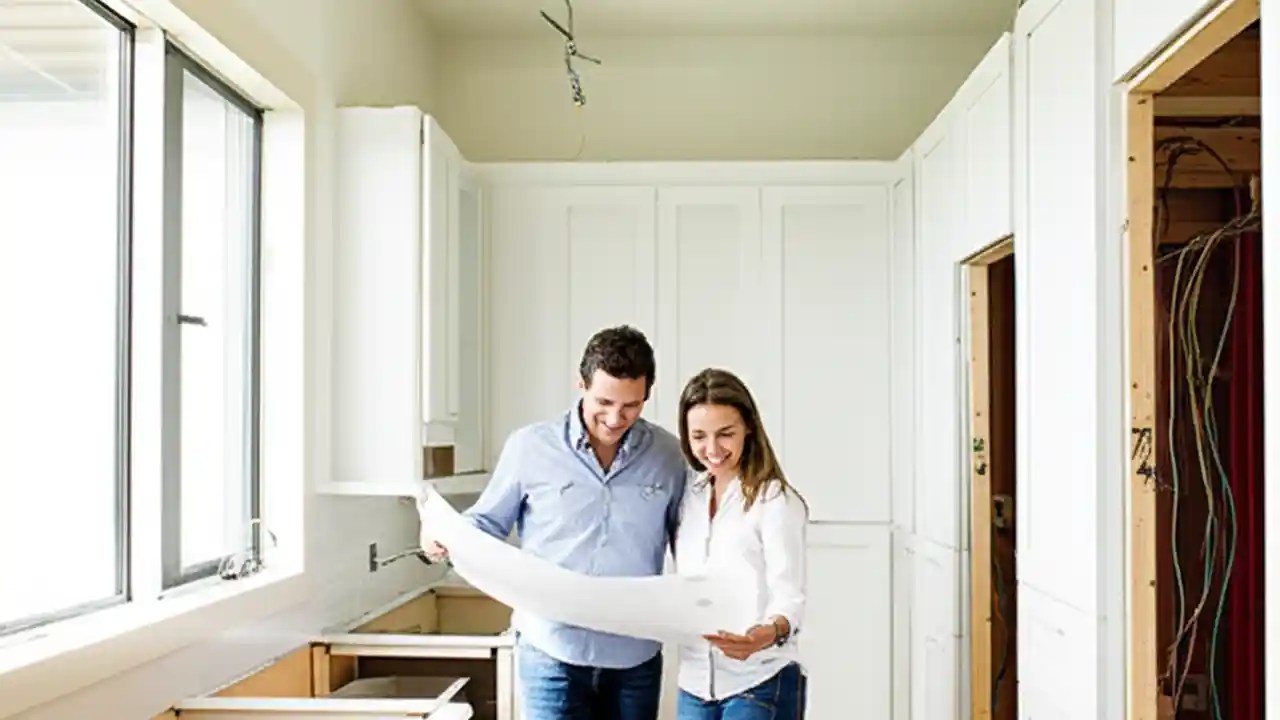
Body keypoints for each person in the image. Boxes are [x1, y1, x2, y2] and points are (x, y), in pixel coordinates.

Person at [424, 325, 686, 720]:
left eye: (631, 405)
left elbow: (691, 540)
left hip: (634, 657)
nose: (616, 418)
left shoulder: (668, 455)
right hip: (551, 653)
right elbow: (486, 522)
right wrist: (440, 534)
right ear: (580, 384)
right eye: (604, 401)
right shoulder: (530, 447)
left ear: (647, 394)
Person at [672, 368, 809, 720]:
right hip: (695, 682)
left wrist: (761, 636)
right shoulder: (689, 496)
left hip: (759, 678)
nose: (712, 449)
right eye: (699, 436)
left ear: (748, 427)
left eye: (725, 434)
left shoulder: (774, 500)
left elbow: (789, 597)